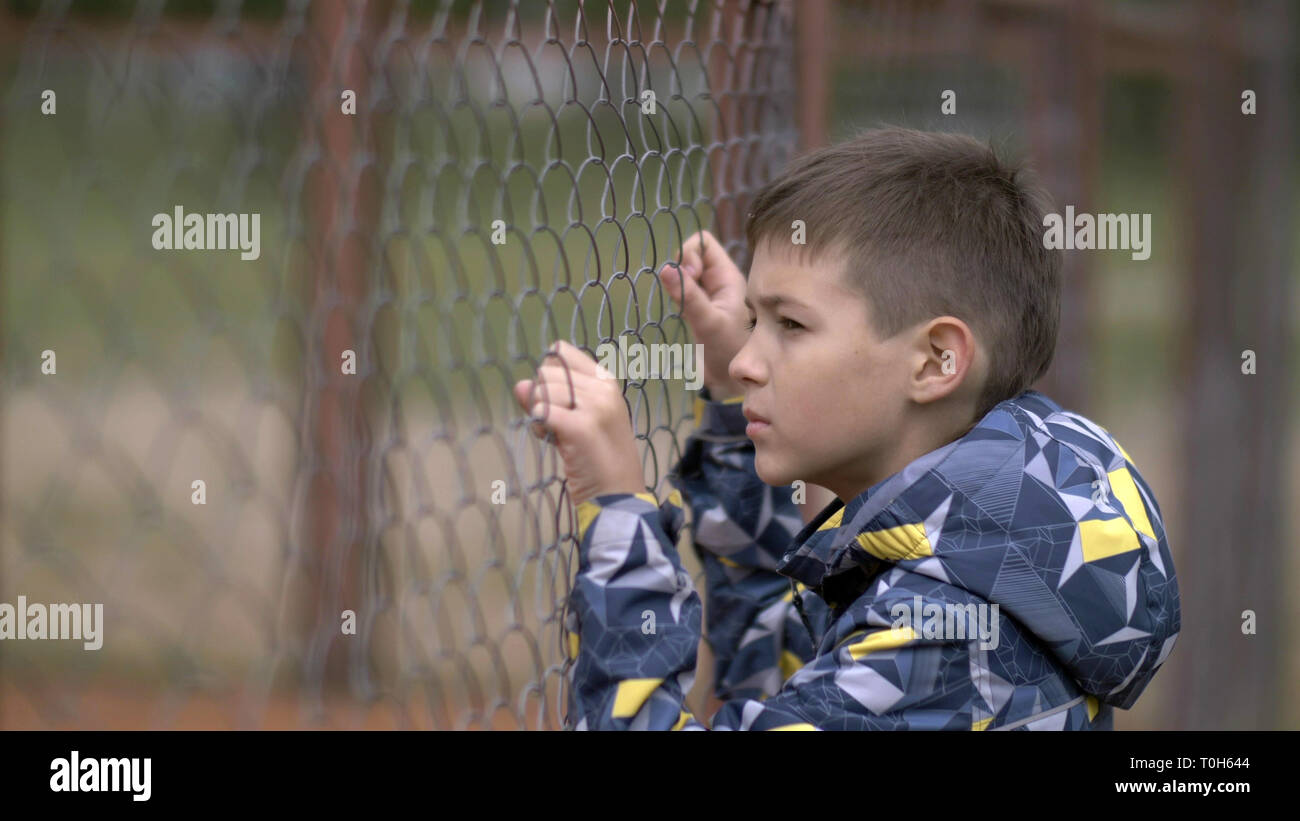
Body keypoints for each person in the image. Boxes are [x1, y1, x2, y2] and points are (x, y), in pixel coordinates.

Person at [513, 127, 1180, 730]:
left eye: (790, 324)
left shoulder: (944, 633)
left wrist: (619, 514)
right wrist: (727, 410)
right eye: (753, 320)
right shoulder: (985, 545)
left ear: (935, 360)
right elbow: (779, 672)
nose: (747, 359)